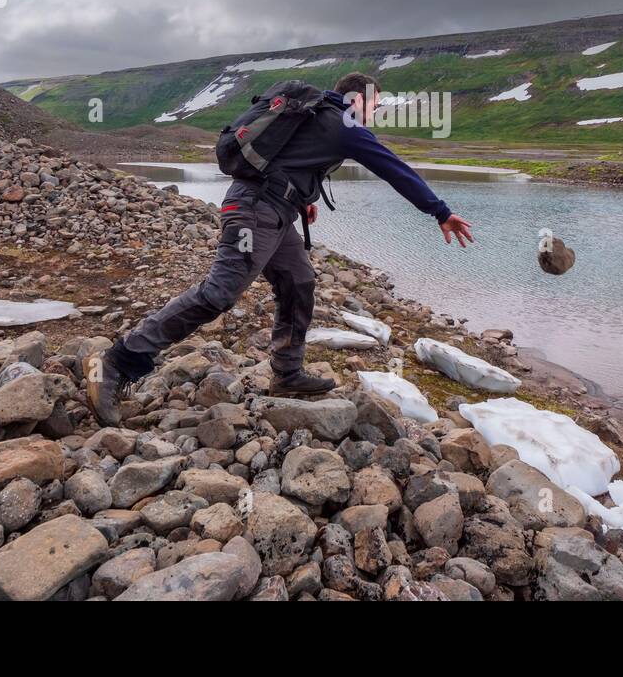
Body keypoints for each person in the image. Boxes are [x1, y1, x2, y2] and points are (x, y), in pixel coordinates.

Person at [87, 72, 473, 425]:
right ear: (359, 99)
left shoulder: (314, 113)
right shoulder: (344, 124)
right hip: (254, 213)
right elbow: (394, 168)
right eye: (374, 106)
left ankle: (287, 373)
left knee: (299, 281)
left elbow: (287, 159)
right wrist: (439, 211)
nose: (374, 114)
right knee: (219, 293)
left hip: (272, 211)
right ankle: (120, 361)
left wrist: (300, 197)